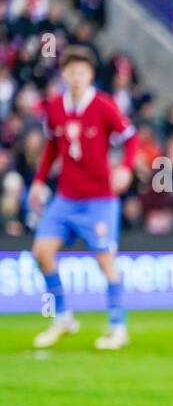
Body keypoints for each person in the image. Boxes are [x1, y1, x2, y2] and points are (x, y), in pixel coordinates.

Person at [30, 45, 136, 351]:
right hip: (66, 197)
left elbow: (129, 140)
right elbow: (52, 147)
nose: (76, 77)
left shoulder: (104, 105)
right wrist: (38, 181)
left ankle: (118, 327)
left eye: (82, 72)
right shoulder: (54, 107)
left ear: (90, 75)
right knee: (41, 251)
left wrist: (125, 169)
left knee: (105, 261)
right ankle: (61, 316)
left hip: (99, 199)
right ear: (64, 74)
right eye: (71, 72)